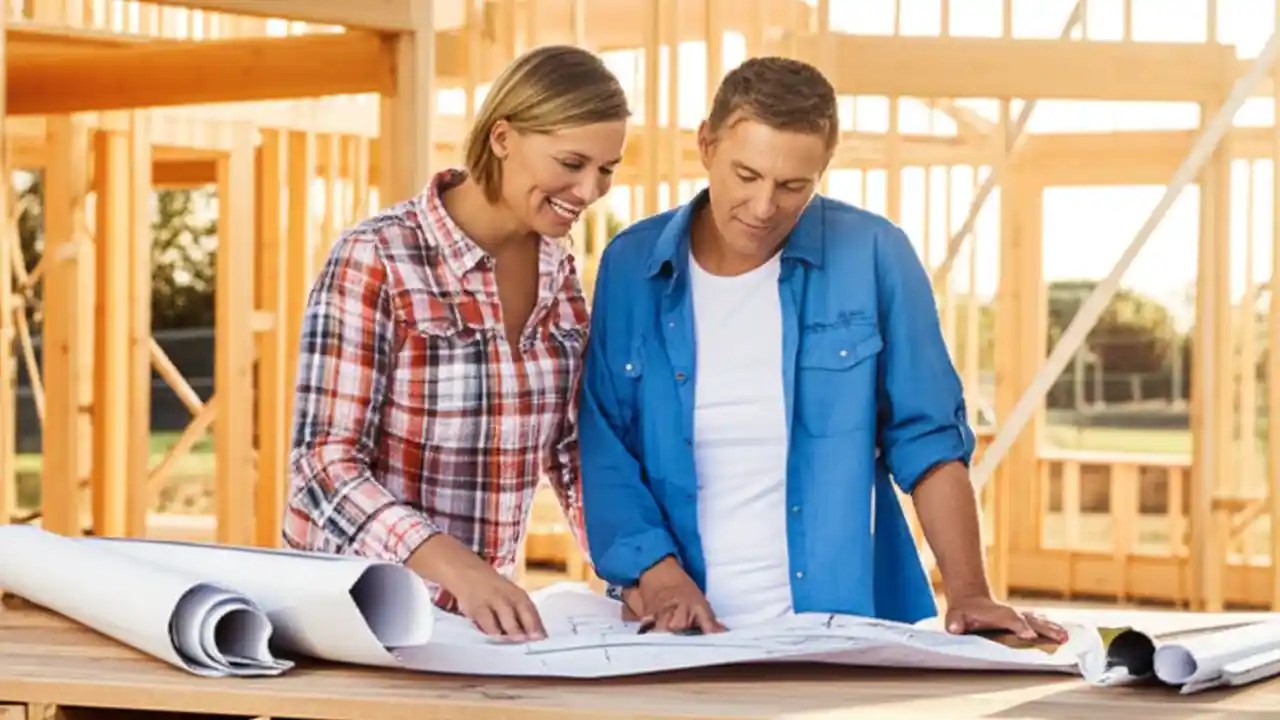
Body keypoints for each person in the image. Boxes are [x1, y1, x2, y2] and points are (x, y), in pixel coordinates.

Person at [578, 56, 1066, 641]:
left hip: (843, 630)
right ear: (706, 145)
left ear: (823, 168)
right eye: (746, 176)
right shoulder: (631, 265)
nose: (764, 208)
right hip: (680, 634)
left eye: (792, 187)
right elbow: (606, 444)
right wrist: (655, 576)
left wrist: (969, 592)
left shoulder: (875, 255)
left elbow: (928, 437)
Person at [283, 45, 629, 642]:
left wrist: (638, 570)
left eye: (607, 169)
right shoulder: (379, 258)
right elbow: (322, 468)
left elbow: (572, 455)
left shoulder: (561, 275)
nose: (590, 189)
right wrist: (457, 569)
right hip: (351, 621)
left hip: (474, 637)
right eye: (572, 162)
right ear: (502, 138)